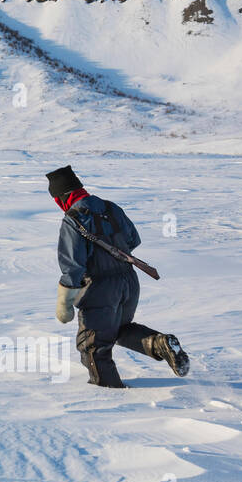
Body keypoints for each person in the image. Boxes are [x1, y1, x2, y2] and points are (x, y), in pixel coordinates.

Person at [47, 165, 190, 388]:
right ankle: (160, 344)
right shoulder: (110, 207)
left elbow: (72, 266)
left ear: (60, 198)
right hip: (128, 282)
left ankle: (110, 397)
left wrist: (64, 302)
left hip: (99, 288)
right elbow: (133, 239)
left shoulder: (72, 219)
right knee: (119, 329)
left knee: (92, 345)